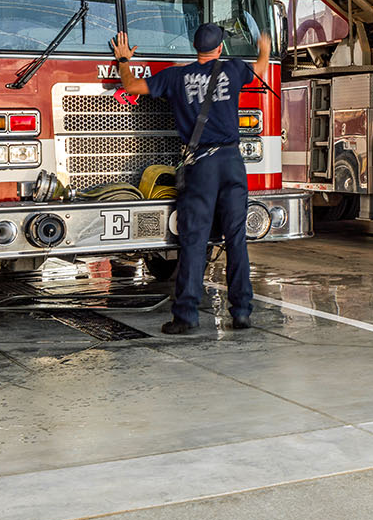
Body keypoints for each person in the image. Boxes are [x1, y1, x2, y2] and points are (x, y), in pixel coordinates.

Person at [111, 22, 271, 335]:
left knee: (194, 240)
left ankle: (186, 316)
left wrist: (124, 60)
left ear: (194, 48)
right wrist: (263, 48)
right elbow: (261, 69)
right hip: (232, 162)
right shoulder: (235, 69)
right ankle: (240, 312)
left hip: (201, 164)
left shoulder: (175, 76)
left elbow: (131, 87)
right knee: (236, 239)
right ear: (220, 48)